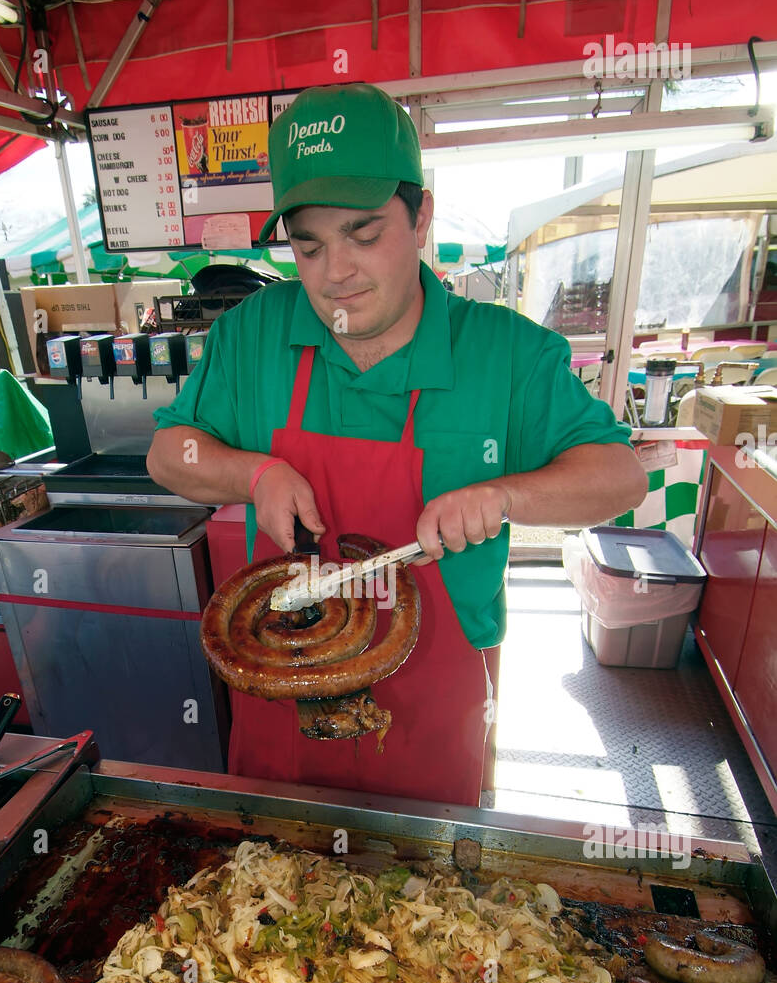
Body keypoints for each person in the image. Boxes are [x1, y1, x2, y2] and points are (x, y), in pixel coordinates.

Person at [147, 82, 647, 806]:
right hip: (282, 688)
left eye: (365, 234)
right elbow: (170, 455)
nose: (335, 274)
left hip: (431, 711)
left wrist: (505, 493)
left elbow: (619, 477)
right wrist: (250, 474)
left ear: (422, 219)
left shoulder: (505, 352)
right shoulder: (251, 333)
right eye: (308, 246)